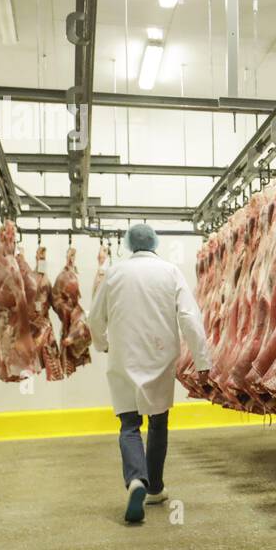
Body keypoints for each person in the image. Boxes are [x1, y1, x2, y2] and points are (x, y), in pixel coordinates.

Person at [89, 224, 211, 523]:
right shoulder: (169, 271)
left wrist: (103, 345)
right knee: (158, 422)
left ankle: (135, 480)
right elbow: (189, 318)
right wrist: (202, 361)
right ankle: (155, 486)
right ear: (155, 243)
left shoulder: (115, 273)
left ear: (130, 245)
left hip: (123, 356)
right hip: (159, 355)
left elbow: (94, 317)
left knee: (129, 424)